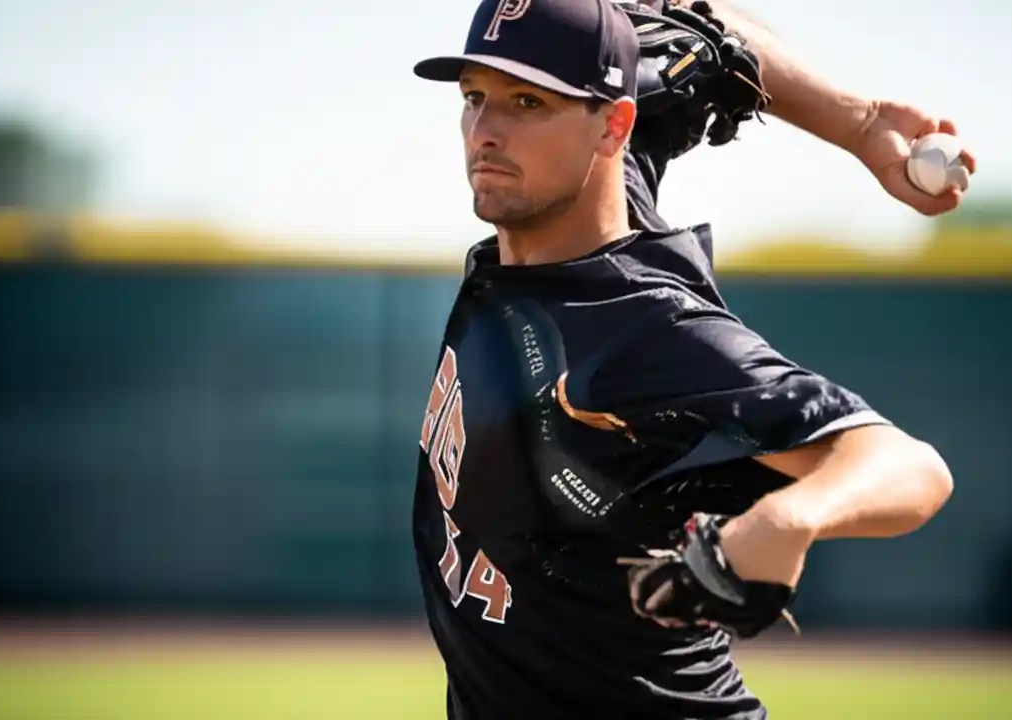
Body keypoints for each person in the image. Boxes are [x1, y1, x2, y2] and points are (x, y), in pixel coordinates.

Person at [410, 1, 964, 717]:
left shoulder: (650, 332)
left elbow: (913, 468)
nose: (487, 131)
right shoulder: (577, 187)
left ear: (614, 124)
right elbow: (692, 24)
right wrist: (856, 123)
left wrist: (787, 520)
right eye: (474, 97)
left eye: (527, 101)